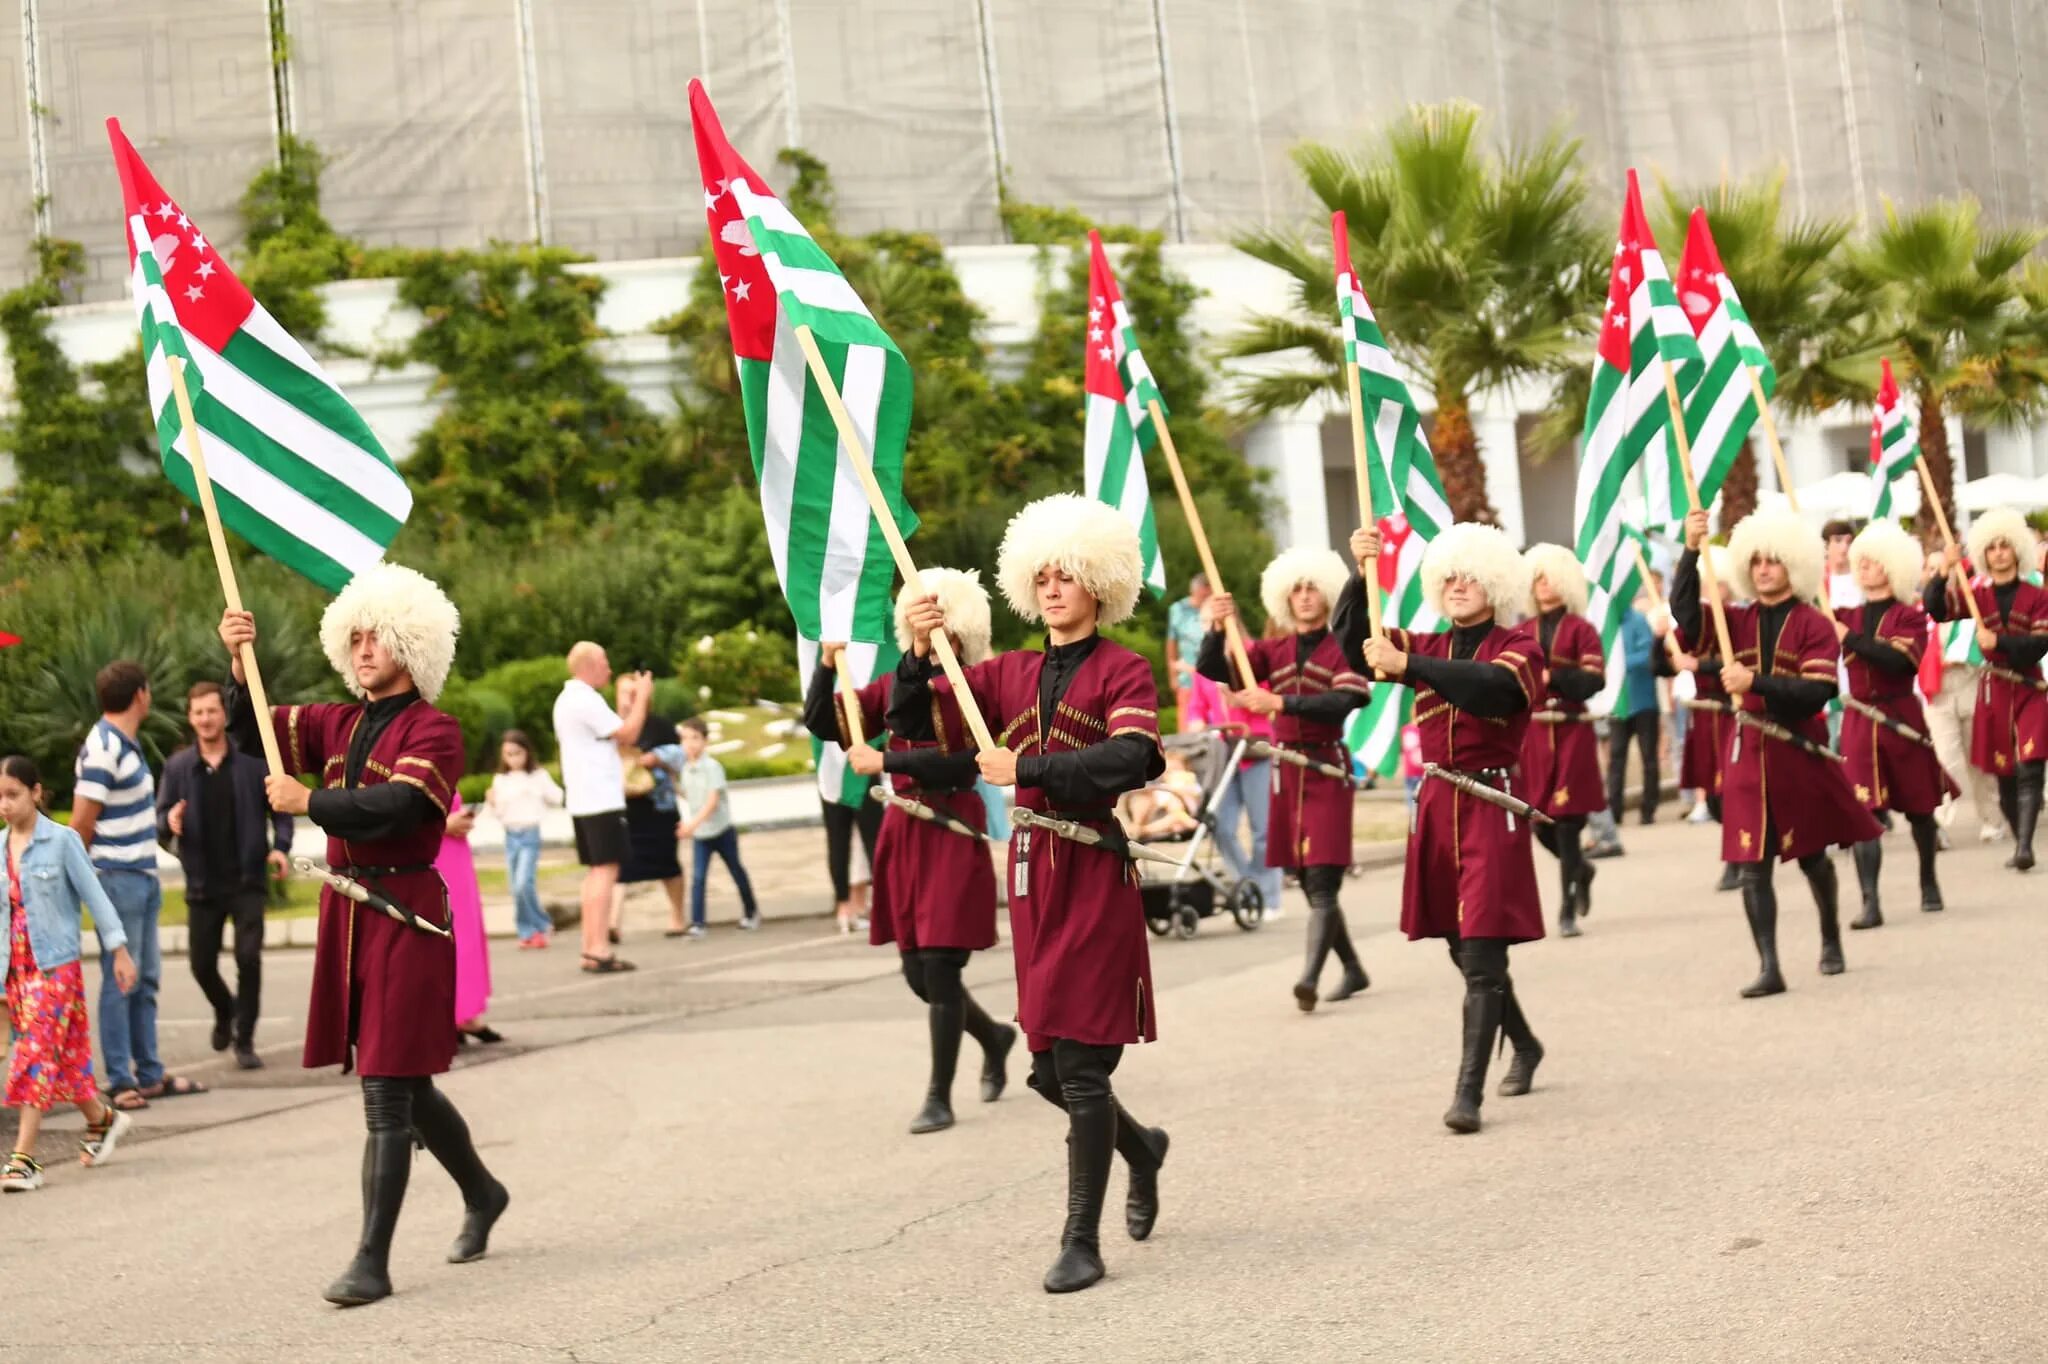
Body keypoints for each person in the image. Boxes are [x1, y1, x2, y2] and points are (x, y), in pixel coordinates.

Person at [895, 493, 1170, 1294]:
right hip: (1030, 881)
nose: (1054, 589)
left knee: (1082, 1070)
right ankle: (1142, 1147)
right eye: (1042, 576)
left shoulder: (1125, 668)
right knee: (1049, 1073)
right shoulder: (1006, 674)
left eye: (1069, 575)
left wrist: (1033, 771)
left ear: (1100, 584)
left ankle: (1080, 1239)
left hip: (1093, 875)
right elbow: (917, 724)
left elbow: (1130, 760)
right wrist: (916, 652)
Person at [217, 565, 509, 1307]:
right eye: (356, 634)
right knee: (405, 1080)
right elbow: (254, 728)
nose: (364, 645)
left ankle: (370, 1262)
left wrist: (311, 799)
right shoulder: (336, 721)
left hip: (407, 912)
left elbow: (399, 806)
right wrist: (234, 659)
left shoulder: (435, 729)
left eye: (378, 633)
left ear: (414, 643)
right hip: (349, 915)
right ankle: (483, 1191)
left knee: (386, 1086)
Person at [1334, 521, 1546, 1136]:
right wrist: (1358, 572)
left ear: (1496, 583)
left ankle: (1467, 1094)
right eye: (1449, 575)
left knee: (1482, 955)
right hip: (1436, 807)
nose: (1458, 585)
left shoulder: (1519, 645)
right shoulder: (1423, 642)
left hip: (1491, 804)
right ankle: (1526, 1043)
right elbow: (1355, 650)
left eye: (1471, 575)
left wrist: (1412, 664)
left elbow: (1495, 690)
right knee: (1462, 947)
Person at [803, 567, 1017, 1135]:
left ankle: (938, 1096)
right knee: (918, 975)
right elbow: (829, 722)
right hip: (905, 835)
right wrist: (827, 669)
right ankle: (994, 1036)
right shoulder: (900, 679)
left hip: (950, 826)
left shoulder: (979, 685)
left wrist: (889, 761)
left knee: (941, 970)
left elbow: (962, 761)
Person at [1672, 507, 1882, 997]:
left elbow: (1818, 692)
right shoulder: (1734, 620)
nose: (1764, 568)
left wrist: (1755, 683)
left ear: (1794, 565)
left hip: (1797, 751)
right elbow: (1685, 614)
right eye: (1758, 561)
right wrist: (1688, 550)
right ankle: (1770, 965)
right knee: (1752, 864)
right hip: (1746, 750)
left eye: (1774, 560)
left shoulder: (1813, 622)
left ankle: (1830, 938)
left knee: (1812, 857)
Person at [1197, 546, 1370, 1010]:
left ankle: (1309, 979)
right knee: (1309, 879)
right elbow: (1217, 669)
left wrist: (1281, 704)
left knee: (1322, 883)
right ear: (1284, 599)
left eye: (1312, 586)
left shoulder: (1341, 646)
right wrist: (1216, 628)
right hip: (1287, 775)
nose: (1305, 595)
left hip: (1327, 768)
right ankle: (1353, 968)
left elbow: (1348, 700)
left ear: (1327, 593)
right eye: (1296, 588)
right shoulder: (1274, 650)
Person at [0, 755, 140, 1191]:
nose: (4, 804)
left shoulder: (62, 841)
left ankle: (24, 1158)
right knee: (60, 1063)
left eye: (13, 794)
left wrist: (119, 950)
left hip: (55, 967)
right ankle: (102, 1120)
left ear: (37, 792)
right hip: (16, 970)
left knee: (34, 1056)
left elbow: (95, 897)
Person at [73, 660, 203, 1108]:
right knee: (122, 978)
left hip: (141, 874)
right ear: (141, 696)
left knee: (145, 979)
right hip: (117, 877)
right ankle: (120, 1078)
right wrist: (83, 881)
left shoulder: (125, 744)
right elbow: (82, 822)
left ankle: (147, 1071)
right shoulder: (103, 747)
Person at [156, 681, 292, 1069]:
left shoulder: (251, 761)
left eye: (212, 711)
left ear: (223, 713)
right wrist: (170, 820)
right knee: (202, 964)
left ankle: (244, 1039)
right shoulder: (178, 767)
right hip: (202, 880)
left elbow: (280, 810)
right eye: (198, 712)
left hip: (247, 877)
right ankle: (224, 1010)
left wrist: (280, 847)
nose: (205, 719)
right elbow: (160, 816)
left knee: (249, 959)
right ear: (190, 717)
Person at [1836, 521, 1956, 927]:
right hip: (1857, 719)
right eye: (1860, 560)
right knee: (1863, 812)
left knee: (1920, 807)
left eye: (1873, 560)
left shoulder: (1910, 615)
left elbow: (1898, 660)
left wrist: (1848, 639)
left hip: (1900, 713)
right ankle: (1870, 901)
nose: (1864, 566)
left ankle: (1929, 881)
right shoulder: (1843, 614)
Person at [1923, 507, 2048, 872]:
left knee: (2030, 764)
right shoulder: (1975, 596)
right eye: (1991, 547)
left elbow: (2040, 645)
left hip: (2028, 687)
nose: (1998, 552)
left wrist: (2001, 641)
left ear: (2016, 549)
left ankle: (2025, 845)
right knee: (2004, 771)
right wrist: (1944, 570)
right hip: (1993, 688)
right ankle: (2016, 834)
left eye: (2004, 545)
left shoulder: (2037, 595)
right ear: (1983, 553)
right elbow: (1937, 610)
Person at [1519, 544, 1606, 939]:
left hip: (1571, 732)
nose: (1544, 585)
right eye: (1537, 577)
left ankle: (1567, 908)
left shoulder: (1582, 629)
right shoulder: (1521, 632)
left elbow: (1593, 680)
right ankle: (1582, 870)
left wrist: (1553, 678)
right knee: (1540, 826)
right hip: (1535, 738)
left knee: (1569, 825)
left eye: (1551, 577)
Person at [553, 642, 652, 973]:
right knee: (605, 871)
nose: (609, 669)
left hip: (585, 798)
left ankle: (589, 946)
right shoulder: (583, 698)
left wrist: (628, 706)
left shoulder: (570, 699)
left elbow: (612, 733)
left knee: (596, 871)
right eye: (605, 662)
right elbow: (628, 734)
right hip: (600, 798)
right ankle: (598, 947)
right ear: (590, 665)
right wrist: (643, 698)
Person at [1180, 670, 1285, 920]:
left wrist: (1242, 701)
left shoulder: (1251, 661)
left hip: (1255, 748)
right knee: (1221, 827)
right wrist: (1195, 720)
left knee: (1264, 829)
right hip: (1221, 754)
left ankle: (1268, 897)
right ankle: (1249, 889)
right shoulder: (1204, 671)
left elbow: (1269, 701)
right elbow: (1197, 705)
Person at [658, 719, 760, 932]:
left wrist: (691, 826)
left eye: (695, 738)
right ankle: (698, 922)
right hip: (702, 834)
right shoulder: (686, 769)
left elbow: (712, 802)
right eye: (685, 738)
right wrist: (671, 783)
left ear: (705, 741)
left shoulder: (713, 767)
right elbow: (690, 796)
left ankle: (751, 912)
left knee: (736, 871)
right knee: (699, 877)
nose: (690, 743)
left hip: (722, 830)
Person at [485, 731, 560, 948]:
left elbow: (556, 798)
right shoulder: (501, 779)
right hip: (511, 835)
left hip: (529, 834)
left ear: (526, 752)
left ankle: (540, 923)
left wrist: (537, 791)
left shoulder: (538, 776)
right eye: (508, 754)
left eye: (517, 753)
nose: (514, 759)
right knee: (515, 886)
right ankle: (528, 931)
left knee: (523, 884)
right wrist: (491, 801)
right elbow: (497, 814)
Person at [438, 795, 501, 1045]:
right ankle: (448, 1016)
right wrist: (441, 825)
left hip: (455, 850)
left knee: (465, 932)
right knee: (447, 933)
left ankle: (463, 1013)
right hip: (433, 851)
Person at [618, 713, 688, 939]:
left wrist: (656, 757)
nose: (629, 701)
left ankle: (677, 916)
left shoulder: (659, 726)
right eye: (624, 694)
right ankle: (611, 923)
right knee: (619, 868)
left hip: (659, 806)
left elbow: (681, 755)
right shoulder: (611, 725)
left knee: (667, 863)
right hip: (623, 808)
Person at [1164, 572, 1211, 732]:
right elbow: (1171, 642)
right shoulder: (1178, 609)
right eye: (1204, 592)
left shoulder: (1212, 609)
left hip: (1210, 677)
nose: (1206, 596)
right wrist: (1172, 675)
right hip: (1187, 676)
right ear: (1195, 590)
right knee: (1186, 723)